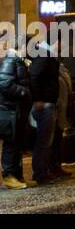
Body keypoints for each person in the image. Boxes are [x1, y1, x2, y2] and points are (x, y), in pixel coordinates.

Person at [27, 30, 59, 184]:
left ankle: (43, 170)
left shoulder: (48, 55)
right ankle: (40, 172)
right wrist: (38, 99)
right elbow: (34, 77)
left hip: (47, 103)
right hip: (44, 105)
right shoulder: (44, 56)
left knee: (46, 140)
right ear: (56, 42)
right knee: (43, 140)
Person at [0, 37, 32, 188]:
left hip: (17, 110)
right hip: (10, 110)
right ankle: (8, 176)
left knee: (17, 143)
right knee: (11, 143)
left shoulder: (18, 60)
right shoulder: (11, 60)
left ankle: (17, 175)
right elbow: (4, 84)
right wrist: (24, 92)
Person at [50, 62, 73, 179]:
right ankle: (52, 168)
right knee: (52, 141)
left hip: (60, 111)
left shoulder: (60, 72)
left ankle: (56, 167)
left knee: (57, 140)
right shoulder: (54, 74)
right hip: (55, 111)